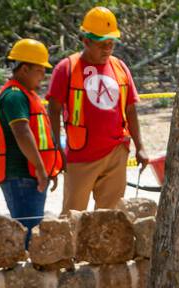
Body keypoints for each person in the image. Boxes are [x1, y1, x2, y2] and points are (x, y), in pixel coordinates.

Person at [46, 6, 148, 214]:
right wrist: (56, 147)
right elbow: (54, 110)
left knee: (111, 220)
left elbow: (130, 110)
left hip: (116, 153)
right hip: (80, 155)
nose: (107, 50)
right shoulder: (67, 68)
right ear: (86, 41)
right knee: (73, 218)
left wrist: (140, 146)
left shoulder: (119, 67)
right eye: (102, 45)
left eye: (111, 44)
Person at [0, 38, 63, 246]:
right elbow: (22, 133)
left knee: (33, 233)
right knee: (29, 238)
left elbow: (40, 135)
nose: (43, 75)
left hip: (32, 175)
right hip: (22, 177)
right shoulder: (14, 97)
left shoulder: (26, 95)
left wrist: (50, 168)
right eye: (40, 70)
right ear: (24, 69)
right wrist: (42, 170)